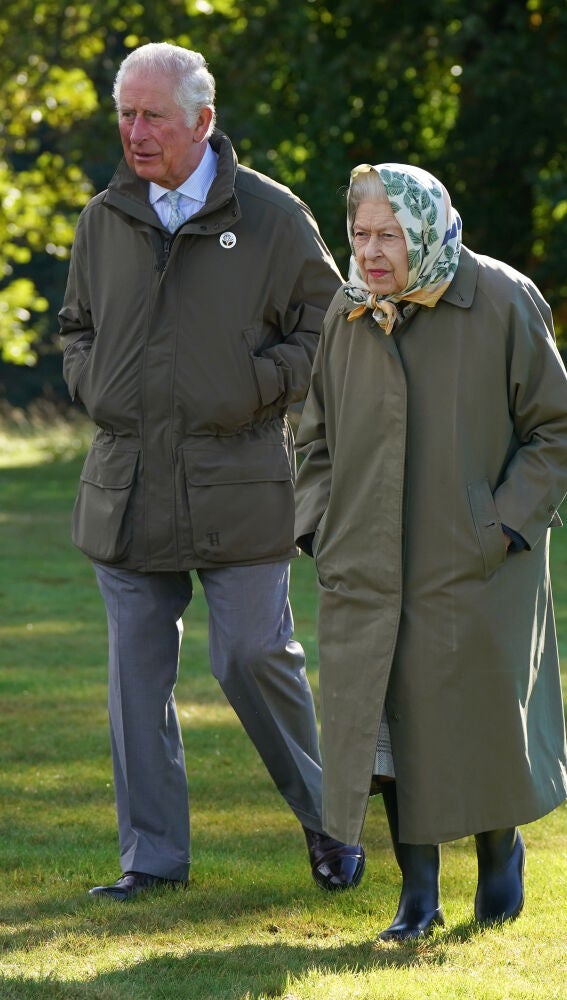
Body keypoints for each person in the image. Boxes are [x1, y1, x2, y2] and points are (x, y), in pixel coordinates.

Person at [58, 42, 366, 901]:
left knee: (251, 654)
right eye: (125, 113)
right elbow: (74, 326)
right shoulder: (103, 217)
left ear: (201, 120)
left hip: (238, 480)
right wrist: (92, 382)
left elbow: (326, 327)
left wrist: (256, 385)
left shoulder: (272, 216)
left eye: (151, 114)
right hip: (125, 487)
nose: (134, 130)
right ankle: (151, 862)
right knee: (135, 685)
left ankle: (331, 822)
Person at [294, 161, 567, 940]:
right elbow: (311, 432)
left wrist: (505, 524)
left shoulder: (503, 299)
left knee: (474, 719)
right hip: (366, 563)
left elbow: (553, 430)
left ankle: (499, 856)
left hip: (476, 561)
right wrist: (318, 522)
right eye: (359, 234)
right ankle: (416, 898)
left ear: (424, 229)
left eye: (388, 235)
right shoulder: (346, 311)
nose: (371, 252)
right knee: (385, 728)